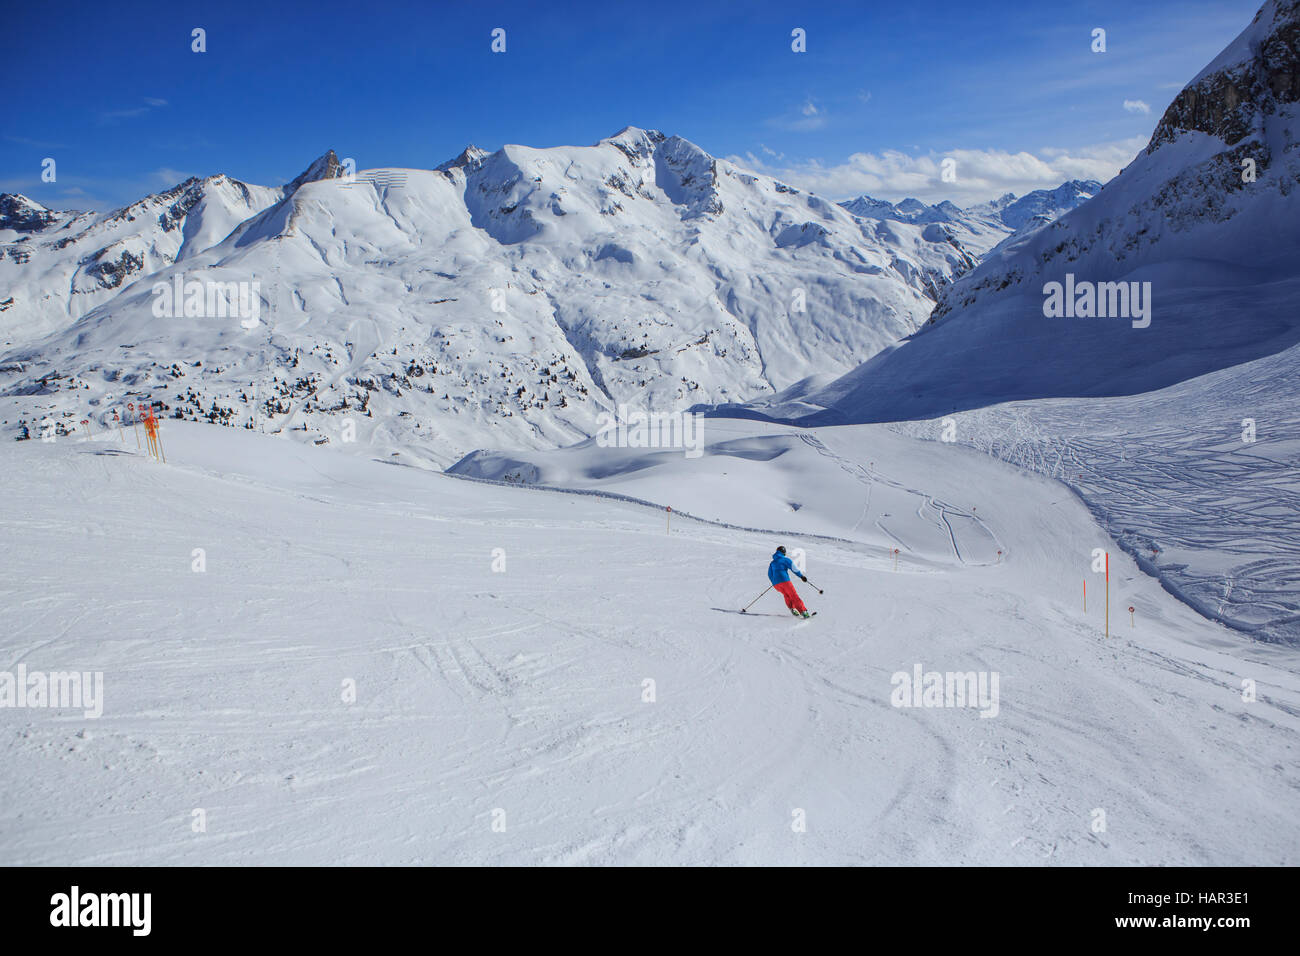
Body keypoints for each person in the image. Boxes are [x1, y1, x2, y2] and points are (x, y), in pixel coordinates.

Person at [768, 546, 811, 618]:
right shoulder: (785, 560)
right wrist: (801, 576)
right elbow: (794, 569)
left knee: (786, 595)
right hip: (785, 581)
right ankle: (803, 611)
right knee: (793, 595)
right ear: (783, 552)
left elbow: (769, 574)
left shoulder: (772, 562)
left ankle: (792, 609)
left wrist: (774, 581)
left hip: (776, 584)